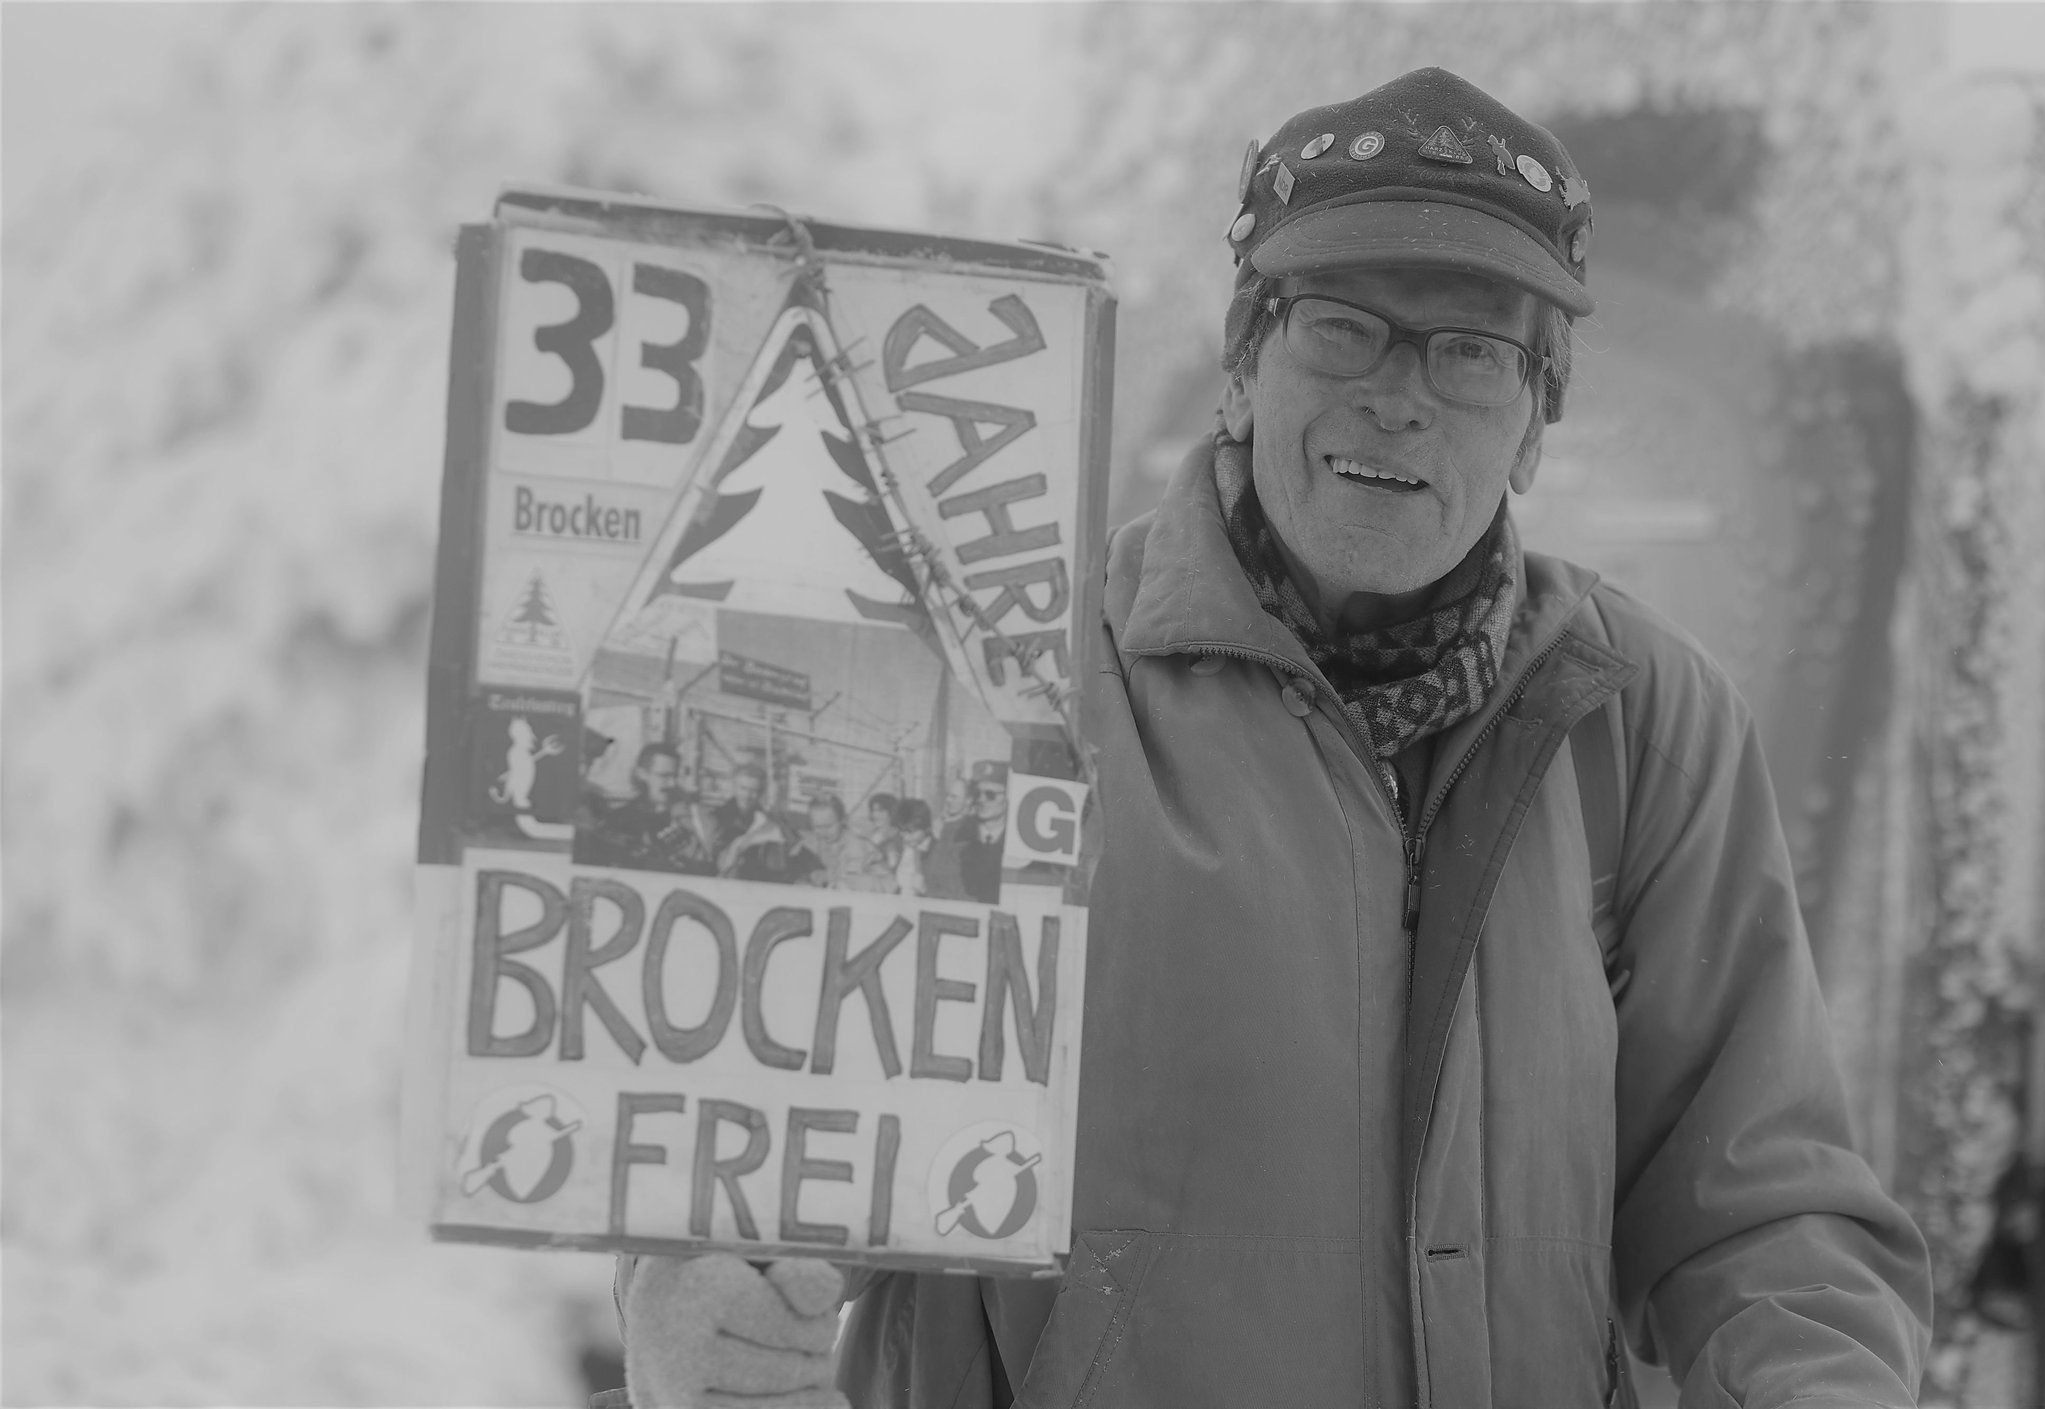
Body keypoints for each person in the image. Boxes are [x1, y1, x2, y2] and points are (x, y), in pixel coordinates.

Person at [614, 67, 1932, 1408]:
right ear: (1246, 358)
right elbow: (778, 1130)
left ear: (1537, 420)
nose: (1400, 397)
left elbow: (1756, 1206)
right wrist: (701, 1291)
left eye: (1473, 351)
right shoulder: (1013, 681)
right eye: (1344, 327)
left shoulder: (1645, 718)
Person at [572, 741, 712, 876]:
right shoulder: (618, 820)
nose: (672, 783)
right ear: (642, 774)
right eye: (664, 776)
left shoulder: (691, 817)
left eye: (675, 776)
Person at [922, 760, 1007, 905]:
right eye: (978, 794)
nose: (981, 800)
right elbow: (933, 881)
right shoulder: (953, 831)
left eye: (990, 795)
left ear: (1008, 797)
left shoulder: (1014, 841)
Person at [787, 793, 893, 893]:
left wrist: (828, 876)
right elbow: (801, 855)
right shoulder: (817, 841)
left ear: (843, 820)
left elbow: (850, 878)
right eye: (818, 827)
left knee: (843, 885)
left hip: (880, 887)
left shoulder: (855, 845)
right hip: (847, 888)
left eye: (829, 826)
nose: (824, 832)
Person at [707, 762, 790, 883]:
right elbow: (711, 855)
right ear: (734, 787)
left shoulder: (768, 824)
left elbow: (779, 864)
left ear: (761, 793)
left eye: (753, 791)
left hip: (755, 887)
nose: (747, 796)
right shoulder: (717, 818)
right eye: (743, 788)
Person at [890, 797, 935, 898]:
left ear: (926, 828)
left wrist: (925, 889)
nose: (906, 837)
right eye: (902, 831)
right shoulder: (896, 845)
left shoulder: (938, 851)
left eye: (911, 832)